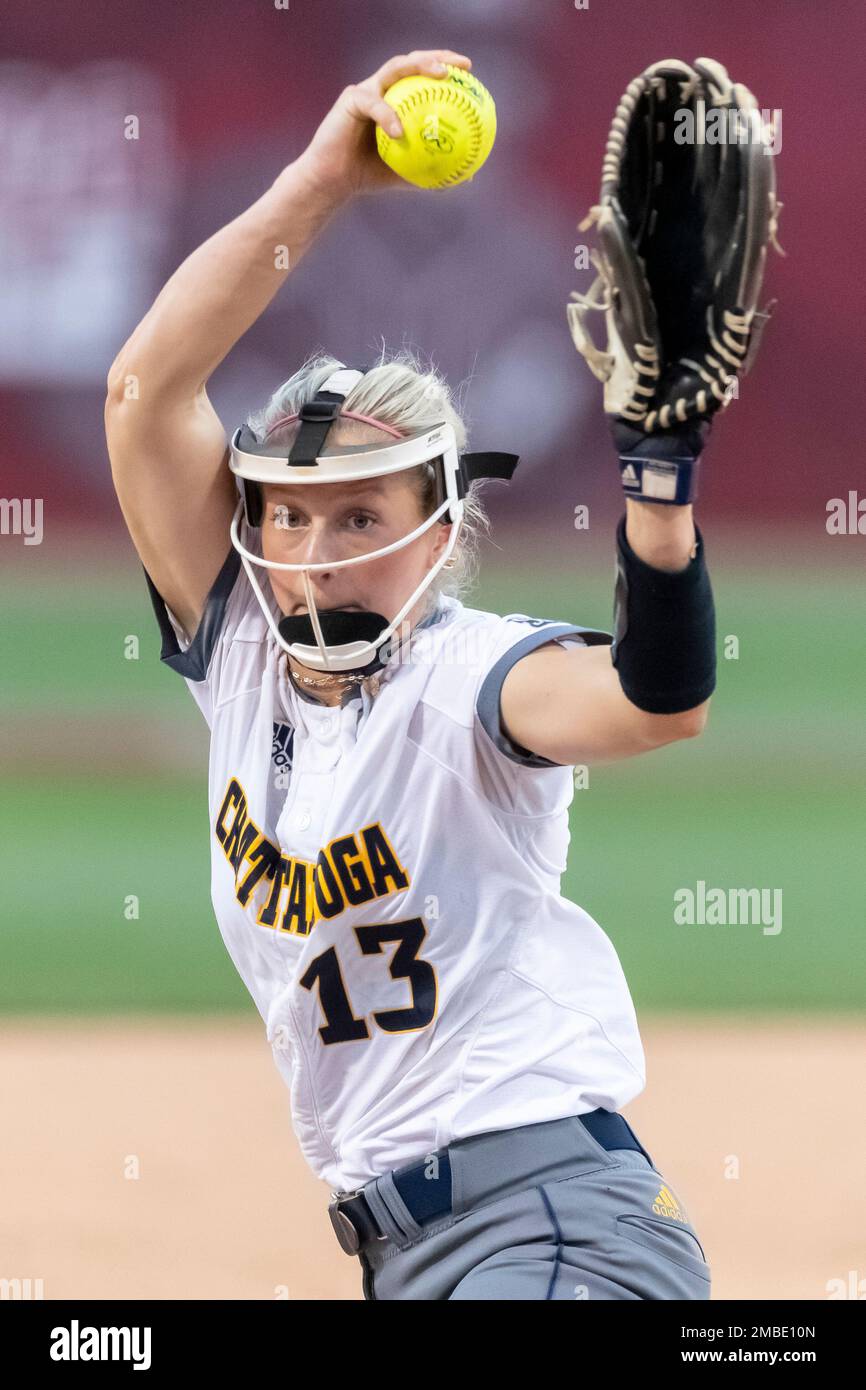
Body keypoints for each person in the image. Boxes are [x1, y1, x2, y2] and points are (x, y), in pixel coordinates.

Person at [105, 48, 713, 1300]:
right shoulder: (238, 665)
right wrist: (320, 182)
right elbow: (143, 390)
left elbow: (654, 700)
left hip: (555, 1230)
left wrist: (655, 516)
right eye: (283, 515)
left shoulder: (473, 681)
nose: (312, 552)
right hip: (406, 1256)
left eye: (355, 515)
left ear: (435, 534)